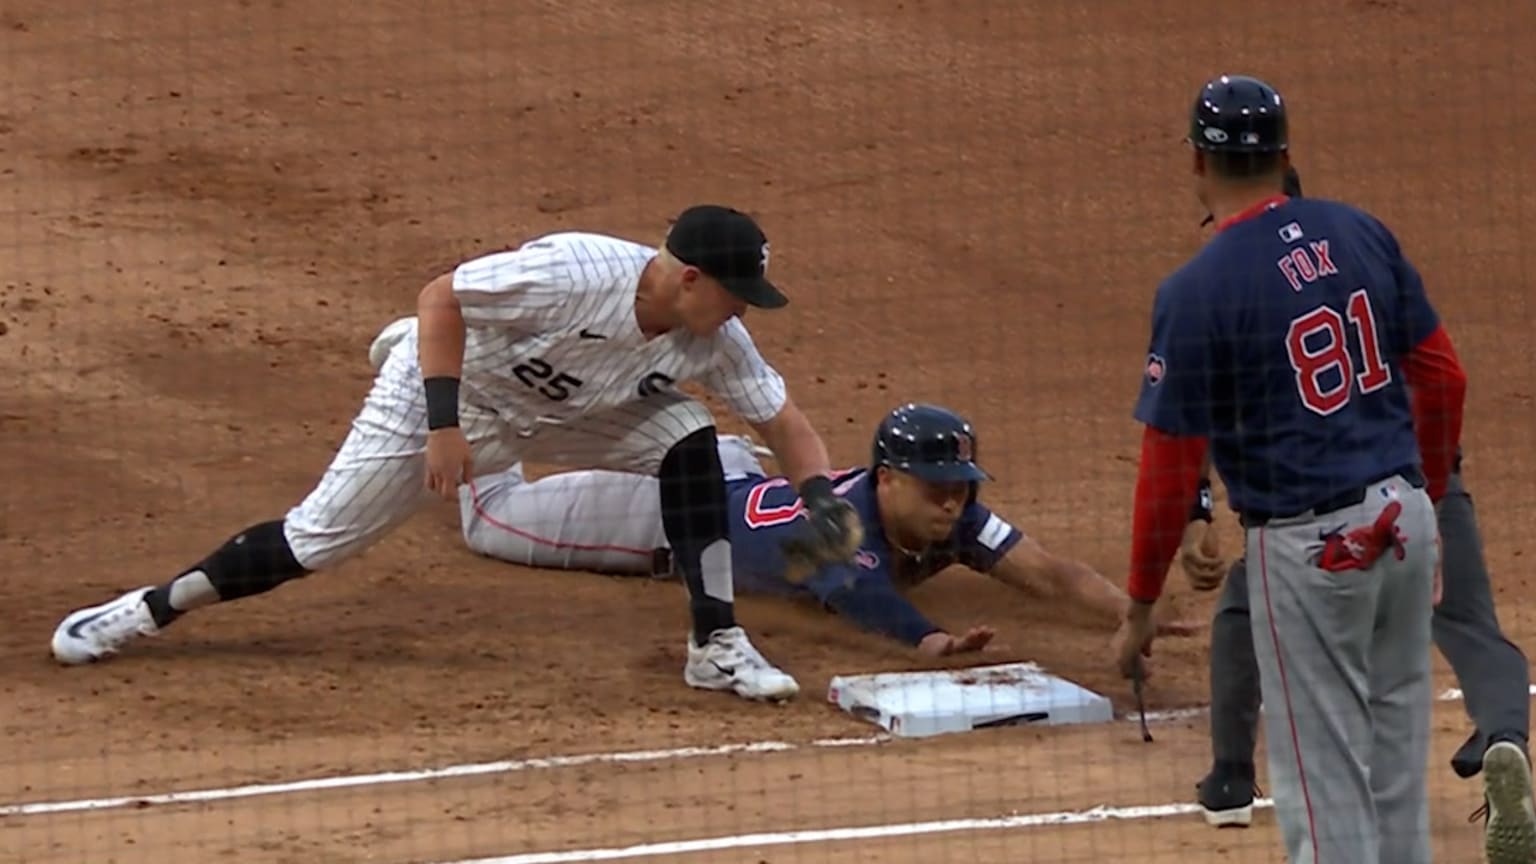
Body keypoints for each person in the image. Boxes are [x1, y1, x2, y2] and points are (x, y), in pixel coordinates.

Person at [49, 204, 865, 704]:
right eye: (734, 295)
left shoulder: (715, 339)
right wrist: (443, 429)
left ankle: (712, 646)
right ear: (689, 278)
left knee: (687, 436)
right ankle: (148, 609)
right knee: (317, 540)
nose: (739, 314)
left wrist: (823, 503)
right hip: (455, 396)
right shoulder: (574, 273)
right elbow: (443, 294)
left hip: (572, 409)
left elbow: (785, 424)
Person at [1113, 74, 1475, 863]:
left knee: (1322, 786)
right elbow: (1444, 378)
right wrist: (1432, 505)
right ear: (1284, 153)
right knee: (1394, 772)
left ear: (1198, 165)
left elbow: (1170, 466)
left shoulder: (1198, 290)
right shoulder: (1359, 232)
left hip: (1311, 554)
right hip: (1404, 524)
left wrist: (1140, 605)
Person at [1181, 168, 1534, 864]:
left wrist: (1196, 511)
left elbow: (1191, 421)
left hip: (1315, 510)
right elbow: (1441, 375)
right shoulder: (1360, 249)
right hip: (1420, 480)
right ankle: (1505, 738)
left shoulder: (1227, 285)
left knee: (1243, 613)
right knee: (1469, 622)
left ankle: (1228, 777)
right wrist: (1430, 493)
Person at [413, 395, 1199, 656]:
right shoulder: (846, 528)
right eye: (936, 488)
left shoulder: (943, 519)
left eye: (960, 488)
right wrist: (931, 641)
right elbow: (866, 601)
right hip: (665, 512)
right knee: (491, 517)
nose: (953, 503)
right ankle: (456, 392)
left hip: (731, 471)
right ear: (887, 480)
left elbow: (1050, 571)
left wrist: (1137, 616)